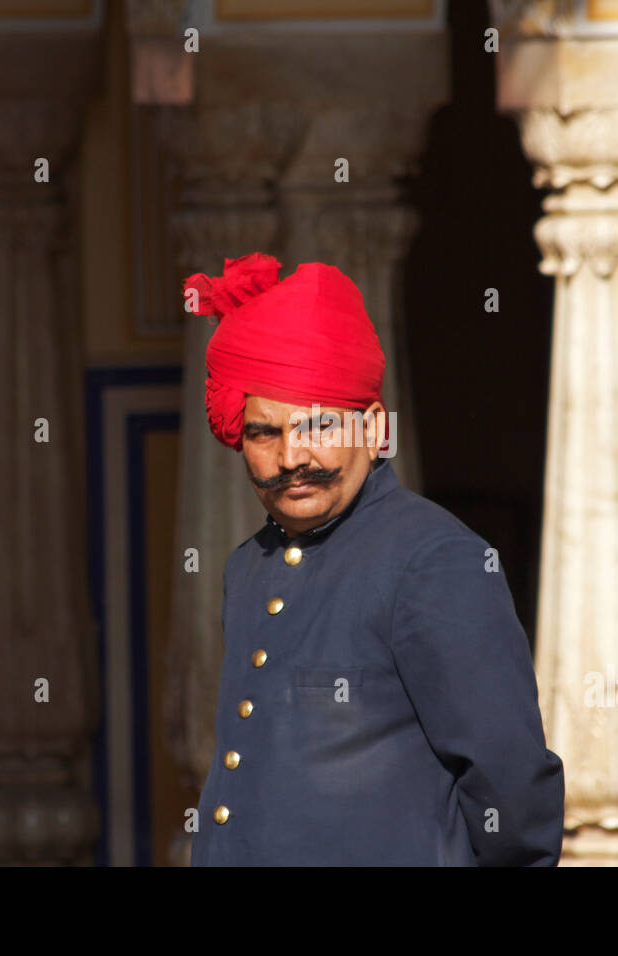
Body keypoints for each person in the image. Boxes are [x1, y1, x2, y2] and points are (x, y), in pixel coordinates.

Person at [183, 251, 564, 866]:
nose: (291, 457)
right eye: (264, 432)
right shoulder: (247, 567)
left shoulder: (435, 562)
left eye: (319, 426)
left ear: (375, 428)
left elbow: (512, 789)